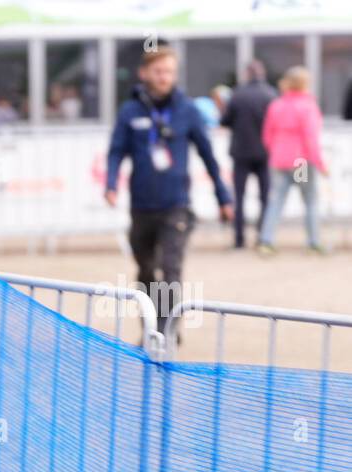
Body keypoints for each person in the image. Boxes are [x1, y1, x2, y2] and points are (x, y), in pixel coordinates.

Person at [105, 47, 233, 336]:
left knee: (170, 268)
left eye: (169, 72)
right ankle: (151, 328)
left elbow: (208, 155)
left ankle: (167, 332)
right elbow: (116, 152)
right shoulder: (130, 111)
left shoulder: (187, 110)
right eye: (159, 71)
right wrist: (111, 184)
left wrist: (224, 197)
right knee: (147, 271)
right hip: (141, 205)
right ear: (145, 73)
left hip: (175, 204)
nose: (164, 77)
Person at [257, 66, 328, 256]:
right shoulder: (307, 106)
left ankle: (266, 241)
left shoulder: (276, 105)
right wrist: (320, 163)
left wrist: (277, 151)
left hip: (278, 160)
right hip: (300, 162)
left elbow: (267, 136)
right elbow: (310, 138)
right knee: (310, 201)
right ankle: (313, 243)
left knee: (276, 201)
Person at [221, 60, 276, 249]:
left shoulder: (237, 94)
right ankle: (263, 236)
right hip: (264, 152)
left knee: (239, 196)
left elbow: (225, 120)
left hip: (241, 152)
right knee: (265, 197)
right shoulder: (270, 94)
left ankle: (239, 239)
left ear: (247, 74)